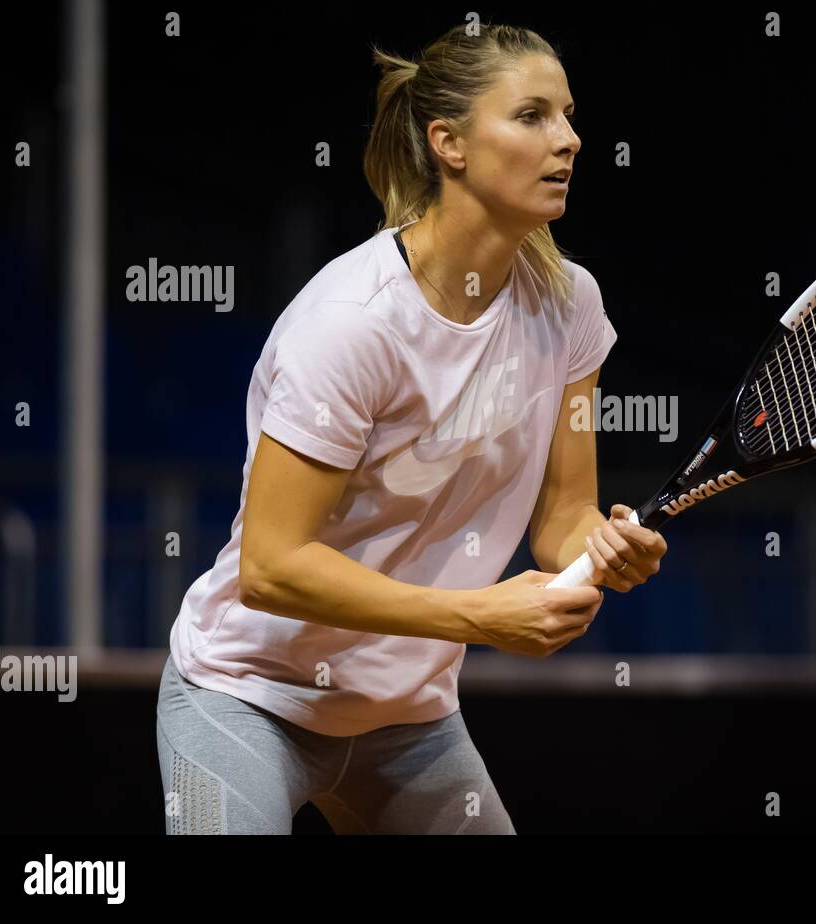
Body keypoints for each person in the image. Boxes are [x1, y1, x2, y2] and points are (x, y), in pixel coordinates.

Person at [155, 22, 668, 835]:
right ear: (448, 143)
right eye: (532, 116)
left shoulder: (571, 305)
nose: (569, 139)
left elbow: (565, 521)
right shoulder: (351, 325)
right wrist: (480, 618)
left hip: (407, 718)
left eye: (569, 115)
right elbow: (272, 569)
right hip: (249, 693)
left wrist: (601, 552)